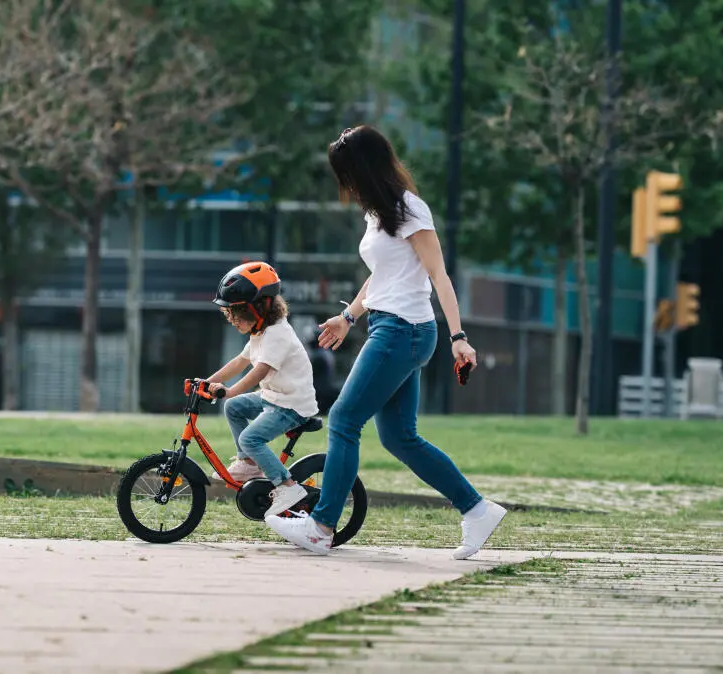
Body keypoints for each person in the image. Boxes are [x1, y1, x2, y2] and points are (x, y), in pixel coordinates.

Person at [266, 126, 504, 560]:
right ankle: (477, 509)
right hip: (386, 327)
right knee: (399, 438)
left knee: (343, 419)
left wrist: (459, 337)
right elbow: (384, 275)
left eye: (350, 174)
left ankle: (321, 525)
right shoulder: (379, 213)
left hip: (405, 332)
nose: (348, 185)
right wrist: (347, 316)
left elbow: (438, 274)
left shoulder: (410, 209)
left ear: (368, 169)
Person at [206, 261, 318, 518]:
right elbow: (240, 362)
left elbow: (260, 371)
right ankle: (249, 464)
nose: (232, 319)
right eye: (230, 313)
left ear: (259, 307)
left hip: (292, 405)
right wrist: (207, 381)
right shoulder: (260, 333)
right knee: (233, 408)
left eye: (236, 312)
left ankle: (287, 486)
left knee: (250, 437)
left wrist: (229, 390)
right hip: (275, 397)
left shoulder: (277, 334)